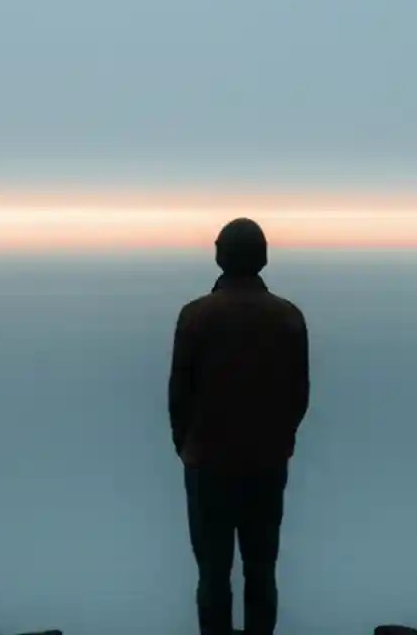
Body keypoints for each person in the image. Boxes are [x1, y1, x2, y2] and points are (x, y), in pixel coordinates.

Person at [169, 217, 311, 635]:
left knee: (213, 572)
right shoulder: (288, 316)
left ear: (220, 255)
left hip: (207, 460)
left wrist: (187, 447)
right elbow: (299, 393)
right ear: (262, 258)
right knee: (261, 568)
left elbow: (179, 393)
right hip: (266, 460)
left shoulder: (195, 316)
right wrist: (281, 441)